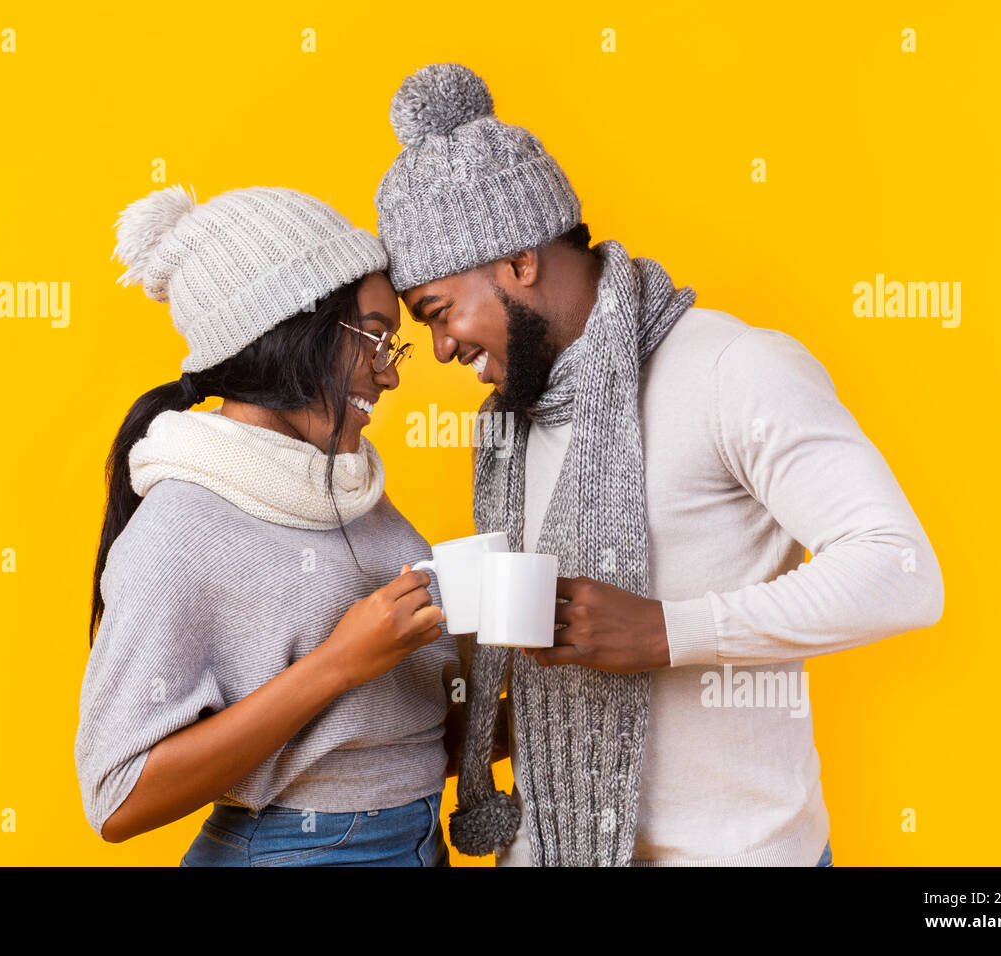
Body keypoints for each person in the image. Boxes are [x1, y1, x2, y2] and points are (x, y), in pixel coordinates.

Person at [372, 63, 945, 866]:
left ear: (518, 262)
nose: (439, 349)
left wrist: (667, 630)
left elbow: (902, 572)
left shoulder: (731, 368)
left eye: (440, 311)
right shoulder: (510, 422)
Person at [75, 184, 459, 866]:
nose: (389, 376)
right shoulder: (182, 524)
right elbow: (118, 795)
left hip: (419, 838)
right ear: (286, 330)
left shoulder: (346, 487)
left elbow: (384, 735)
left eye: (392, 346)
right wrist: (336, 664)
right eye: (372, 339)